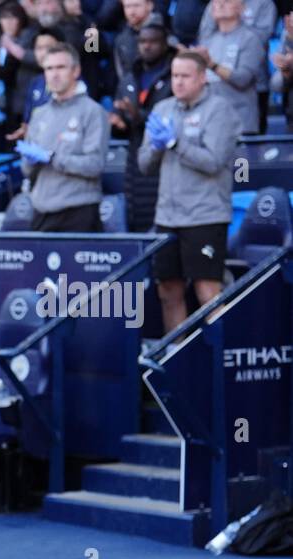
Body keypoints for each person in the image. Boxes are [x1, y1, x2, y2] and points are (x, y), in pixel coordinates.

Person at [138, 51, 242, 333]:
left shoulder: (219, 110)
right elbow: (144, 164)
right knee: (167, 290)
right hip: (168, 215)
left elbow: (214, 162)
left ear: (202, 78)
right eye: (174, 76)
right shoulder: (163, 109)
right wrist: (157, 147)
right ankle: (177, 357)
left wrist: (174, 143)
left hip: (204, 215)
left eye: (185, 76)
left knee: (207, 291)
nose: (178, 82)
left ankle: (218, 360)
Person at [17, 44, 110, 232]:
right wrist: (29, 160)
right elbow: (26, 170)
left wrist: (53, 158)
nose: (54, 74)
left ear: (76, 71)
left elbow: (95, 165)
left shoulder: (93, 111)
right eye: (49, 69)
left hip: (79, 211)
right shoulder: (39, 114)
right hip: (42, 210)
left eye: (61, 67)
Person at [113, 16, 176, 232]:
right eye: (142, 42)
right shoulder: (131, 75)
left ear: (165, 44)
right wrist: (118, 123)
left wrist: (138, 116)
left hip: (165, 156)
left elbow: (171, 118)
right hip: (135, 153)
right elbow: (122, 118)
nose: (146, 46)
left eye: (153, 41)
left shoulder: (174, 75)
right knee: (136, 213)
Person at [196, 0, 266, 135]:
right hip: (209, 123)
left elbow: (243, 79)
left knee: (242, 157)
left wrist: (211, 64)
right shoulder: (207, 40)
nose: (220, 4)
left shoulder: (250, 39)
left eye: (227, 1)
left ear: (242, 8)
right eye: (216, 1)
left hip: (240, 123)